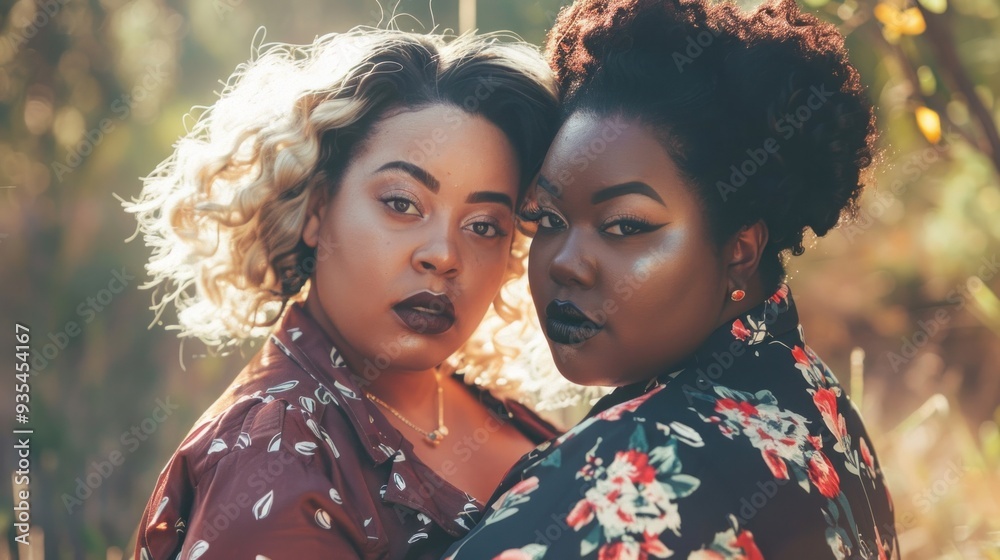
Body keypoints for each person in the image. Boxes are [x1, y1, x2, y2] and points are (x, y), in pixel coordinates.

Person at [443, 0, 898, 558]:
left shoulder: (632, 470)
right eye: (549, 219)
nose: (564, 261)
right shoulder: (818, 408)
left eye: (624, 226)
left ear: (739, 249)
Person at [126, 27, 561, 559]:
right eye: (402, 203)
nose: (444, 255)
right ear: (316, 208)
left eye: (485, 225)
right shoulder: (275, 454)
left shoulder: (471, 397)